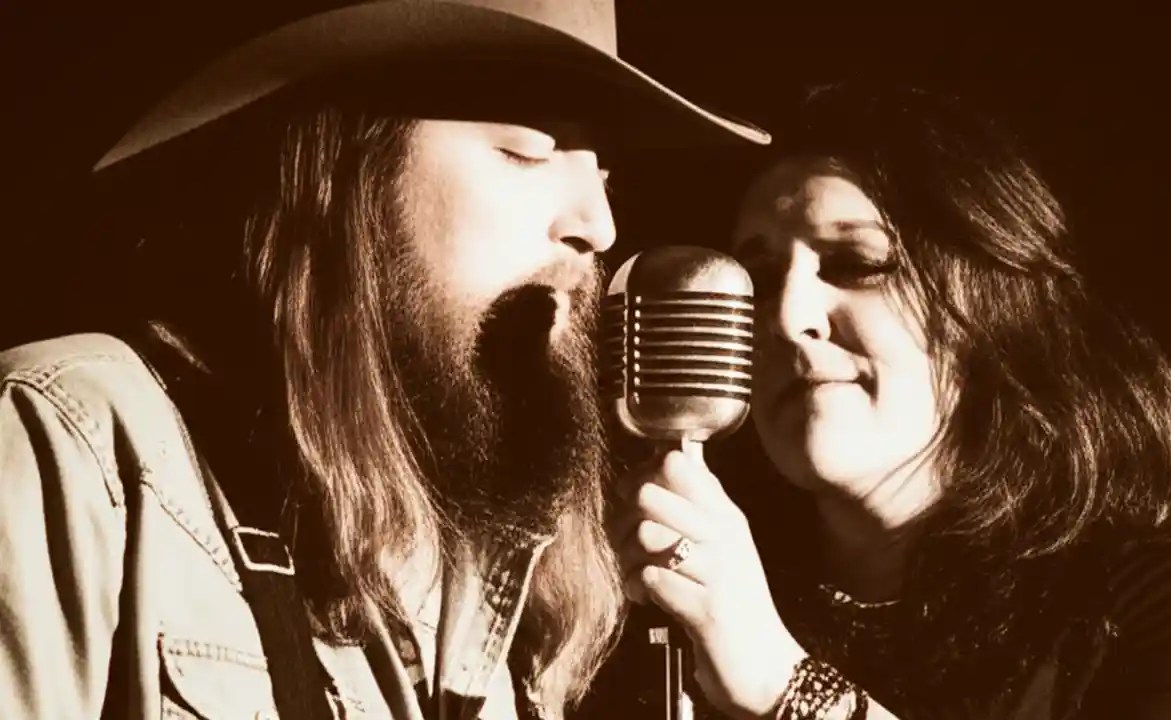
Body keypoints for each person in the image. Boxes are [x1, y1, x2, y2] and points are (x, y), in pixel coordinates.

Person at [0, 2, 770, 718]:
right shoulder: (76, 443)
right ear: (348, 176)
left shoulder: (508, 571)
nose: (598, 225)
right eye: (527, 152)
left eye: (603, 173)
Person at [610, 82, 1171, 719]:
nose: (789, 315)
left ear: (986, 307)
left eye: (857, 264)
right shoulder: (665, 613)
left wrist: (784, 686)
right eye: (754, 278)